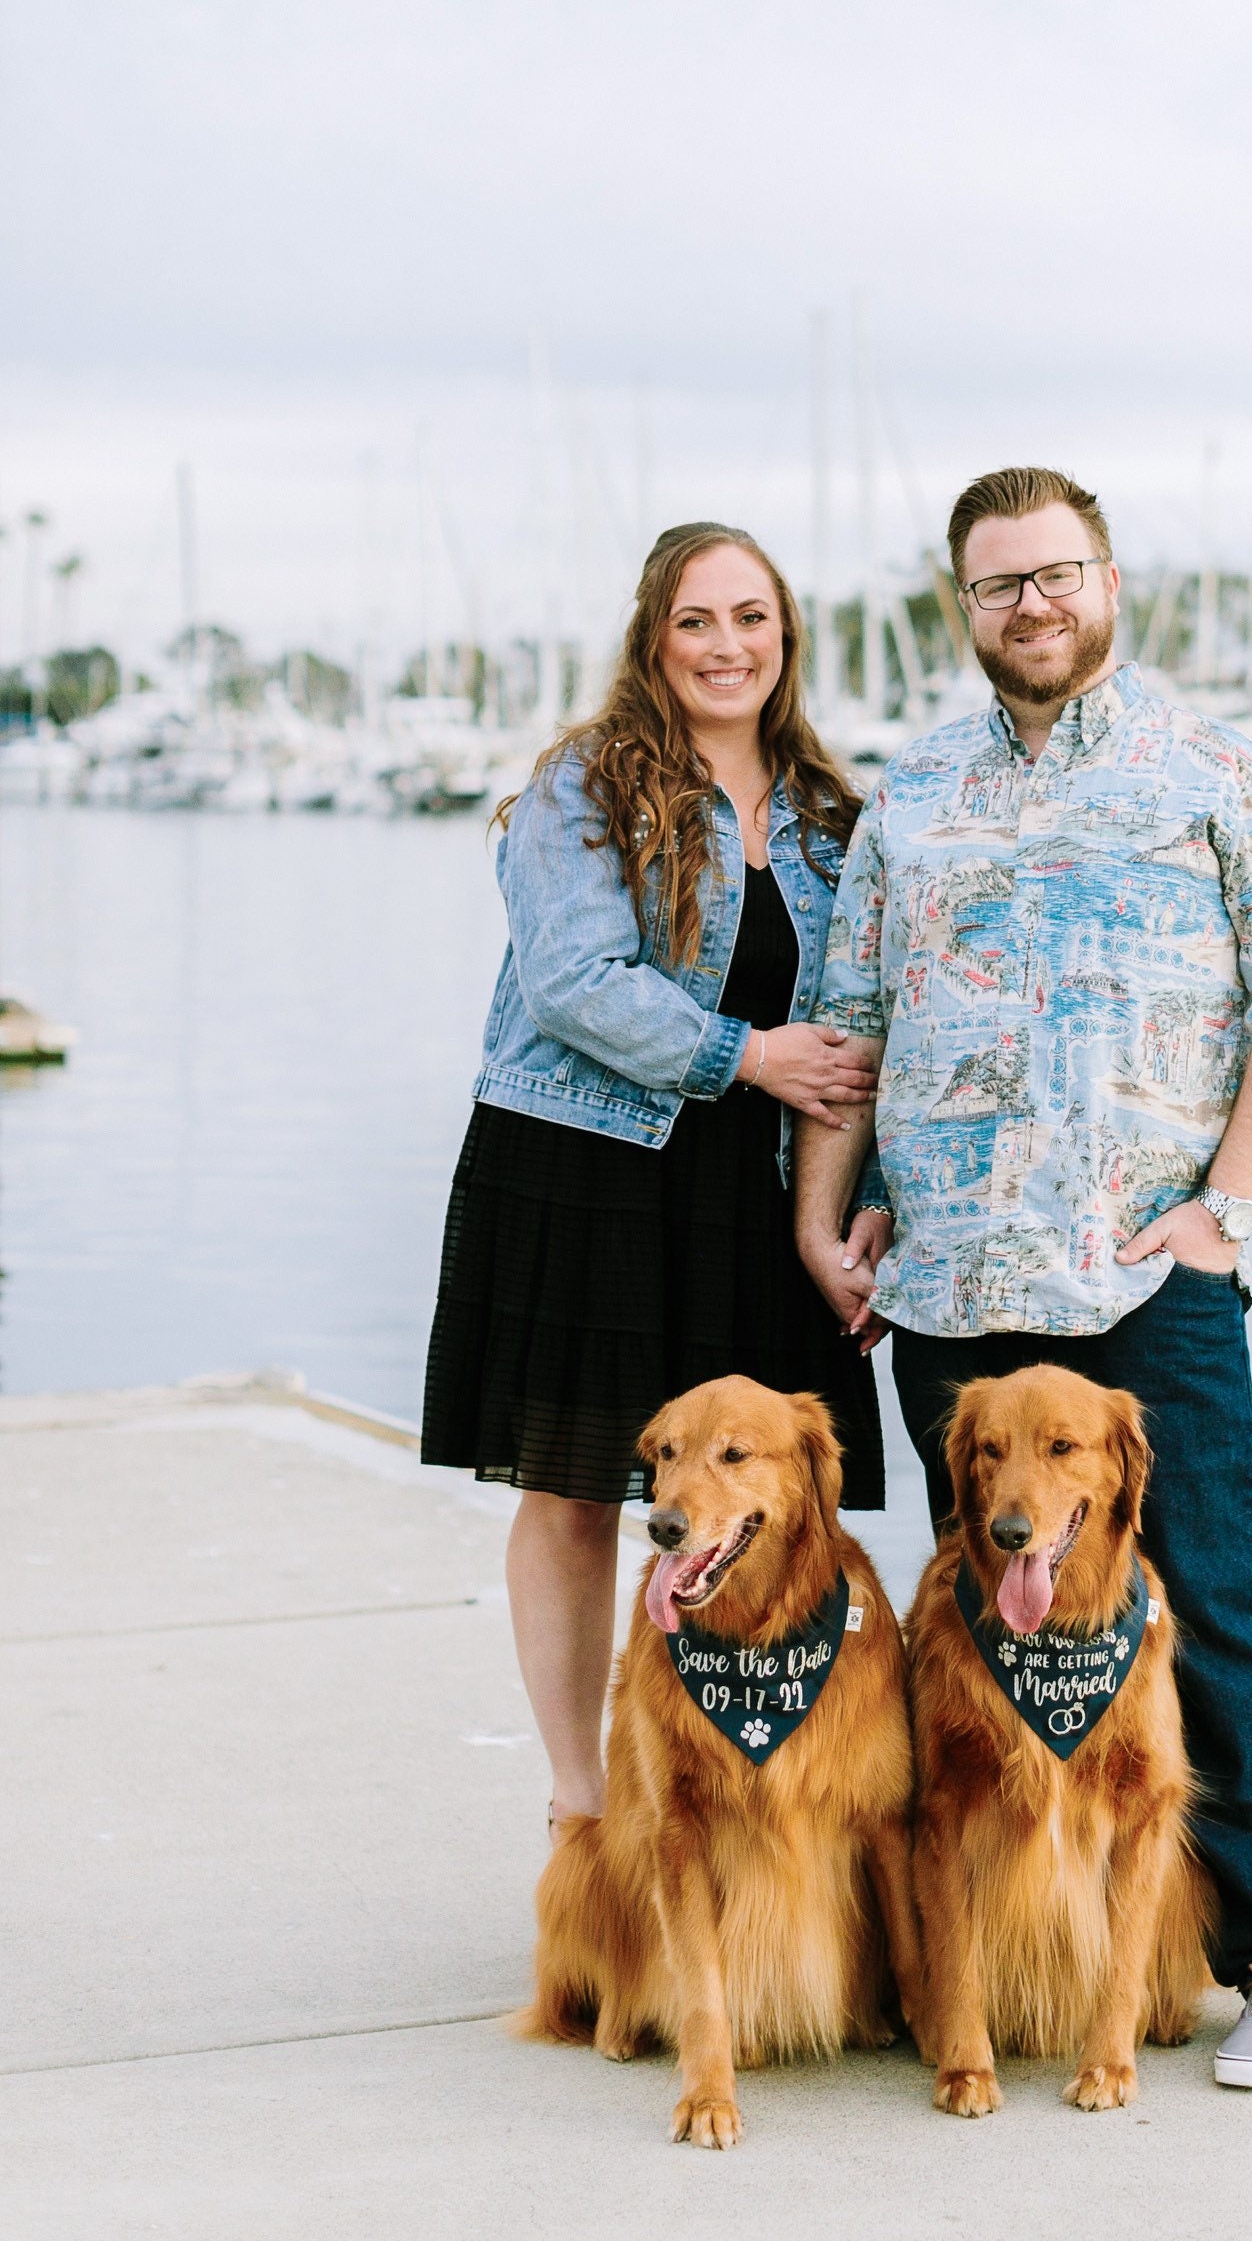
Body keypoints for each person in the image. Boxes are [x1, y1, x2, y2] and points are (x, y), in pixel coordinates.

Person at [795, 463, 1252, 2091]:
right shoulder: (910, 800)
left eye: (1055, 575)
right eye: (997, 585)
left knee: (1218, 1602)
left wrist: (1227, 1212)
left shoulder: (1226, 775)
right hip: (954, 1297)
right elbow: (857, 1035)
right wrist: (824, 1227)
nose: (1029, 605)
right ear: (960, 606)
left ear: (1108, 579)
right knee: (990, 1628)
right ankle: (1019, 1952)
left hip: (1143, 1280)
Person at [421, 521, 889, 1830]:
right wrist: (747, 1054)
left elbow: (858, 1032)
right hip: (587, 1181)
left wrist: (854, 1210)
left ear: (786, 637)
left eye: (751, 618)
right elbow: (574, 985)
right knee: (576, 1500)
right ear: (652, 638)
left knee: (754, 1509)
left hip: (752, 1197)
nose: (726, 646)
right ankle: (587, 1805)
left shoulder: (831, 819)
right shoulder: (583, 787)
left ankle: (738, 1805)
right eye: (697, 620)